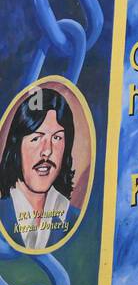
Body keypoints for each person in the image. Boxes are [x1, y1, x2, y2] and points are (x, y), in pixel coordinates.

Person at [0, 87, 79, 251]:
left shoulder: (73, 219)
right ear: (17, 146)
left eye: (57, 138)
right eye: (36, 138)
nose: (47, 150)